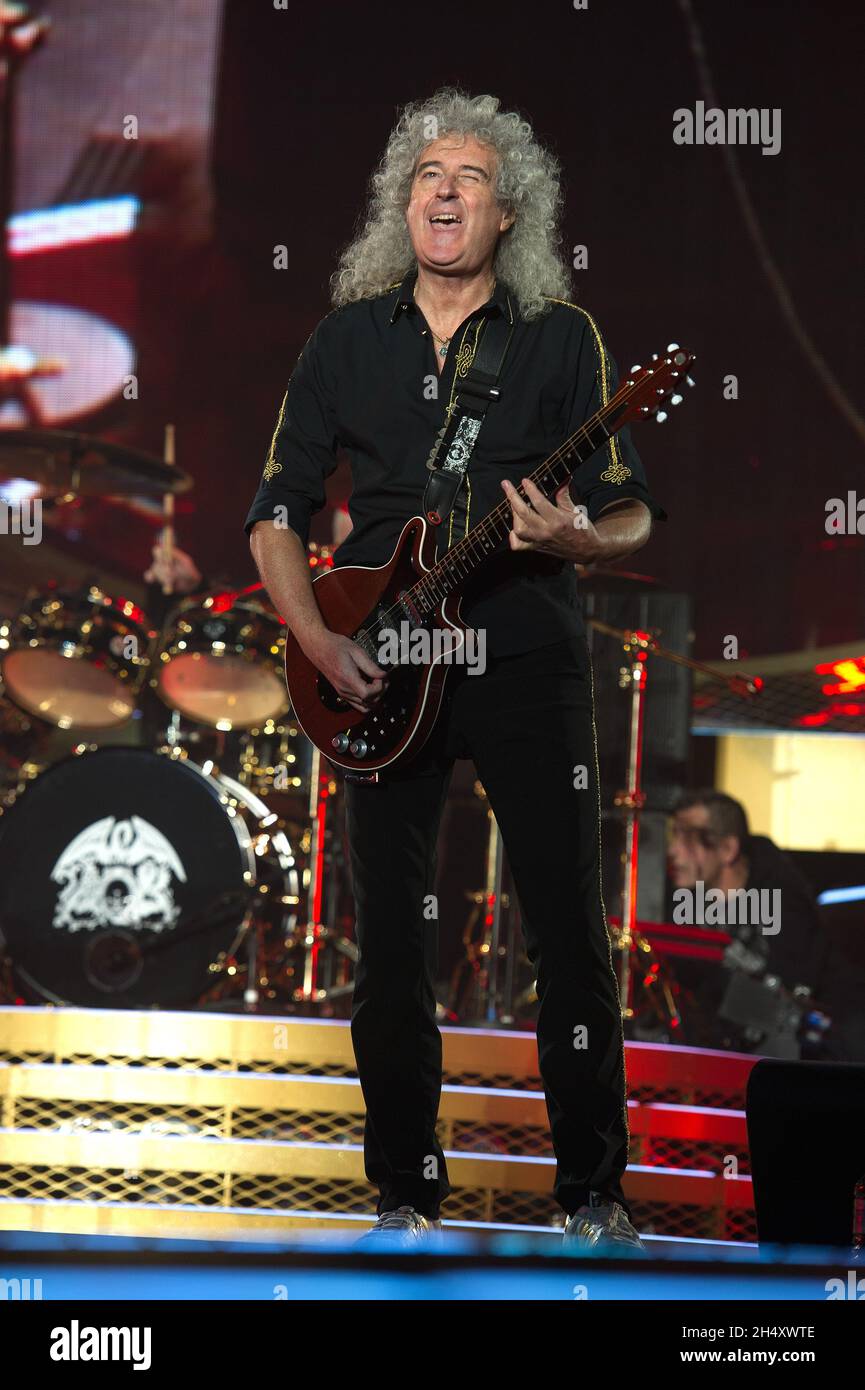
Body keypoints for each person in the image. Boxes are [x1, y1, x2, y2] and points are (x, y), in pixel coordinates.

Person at [245, 89, 666, 1251]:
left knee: (569, 932)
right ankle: (404, 1199)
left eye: (470, 175)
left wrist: (581, 538)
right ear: (401, 201)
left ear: (506, 211)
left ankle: (591, 1194)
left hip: (526, 652)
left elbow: (630, 507)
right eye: (428, 170)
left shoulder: (561, 336)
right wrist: (319, 639)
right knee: (389, 941)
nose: (443, 188)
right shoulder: (344, 340)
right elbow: (276, 513)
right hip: (377, 663)